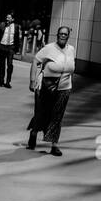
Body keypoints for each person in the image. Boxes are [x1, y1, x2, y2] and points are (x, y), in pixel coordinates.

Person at [27, 25, 75, 155]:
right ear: (57, 35)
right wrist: (32, 80)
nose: (63, 36)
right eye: (61, 34)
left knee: (57, 116)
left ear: (68, 36)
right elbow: (35, 61)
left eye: (65, 34)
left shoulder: (71, 49)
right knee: (42, 113)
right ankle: (34, 133)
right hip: (47, 85)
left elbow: (70, 68)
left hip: (64, 88)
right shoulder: (49, 48)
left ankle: (54, 145)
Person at [0, 13, 20, 88]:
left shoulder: (16, 26)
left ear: (12, 19)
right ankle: (1, 81)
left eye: (9, 18)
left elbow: (17, 38)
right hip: (2, 46)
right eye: (7, 17)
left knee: (10, 64)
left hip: (11, 47)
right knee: (2, 65)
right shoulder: (2, 25)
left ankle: (8, 82)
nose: (7, 19)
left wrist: (16, 49)